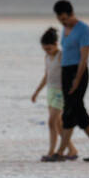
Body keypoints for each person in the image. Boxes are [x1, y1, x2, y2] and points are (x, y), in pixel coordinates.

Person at [52, 0, 89, 161]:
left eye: (64, 18)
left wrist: (77, 78)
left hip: (78, 71)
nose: (62, 22)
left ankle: (61, 152)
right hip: (66, 71)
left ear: (70, 14)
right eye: (59, 19)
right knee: (77, 111)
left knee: (70, 111)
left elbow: (84, 57)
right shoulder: (64, 29)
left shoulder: (84, 29)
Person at [31, 28, 78, 161]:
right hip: (51, 91)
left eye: (49, 48)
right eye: (45, 49)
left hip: (61, 92)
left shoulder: (62, 56)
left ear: (56, 44)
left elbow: (70, 73)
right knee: (57, 124)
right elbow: (47, 76)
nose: (47, 51)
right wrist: (37, 92)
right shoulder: (47, 57)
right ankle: (72, 149)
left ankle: (52, 152)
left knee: (51, 122)